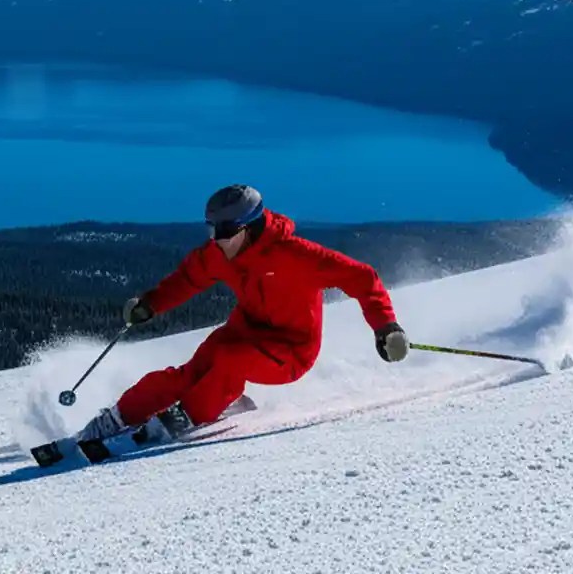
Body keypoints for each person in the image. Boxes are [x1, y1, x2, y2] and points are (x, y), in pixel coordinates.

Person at [76, 184, 409, 442]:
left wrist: (386, 328)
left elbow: (362, 278)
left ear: (248, 227)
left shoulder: (296, 256)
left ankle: (188, 415)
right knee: (194, 371)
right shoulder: (220, 254)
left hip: (290, 351)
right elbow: (188, 279)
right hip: (243, 331)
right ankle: (120, 416)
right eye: (212, 230)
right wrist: (151, 303)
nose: (216, 239)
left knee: (229, 365)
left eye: (224, 232)